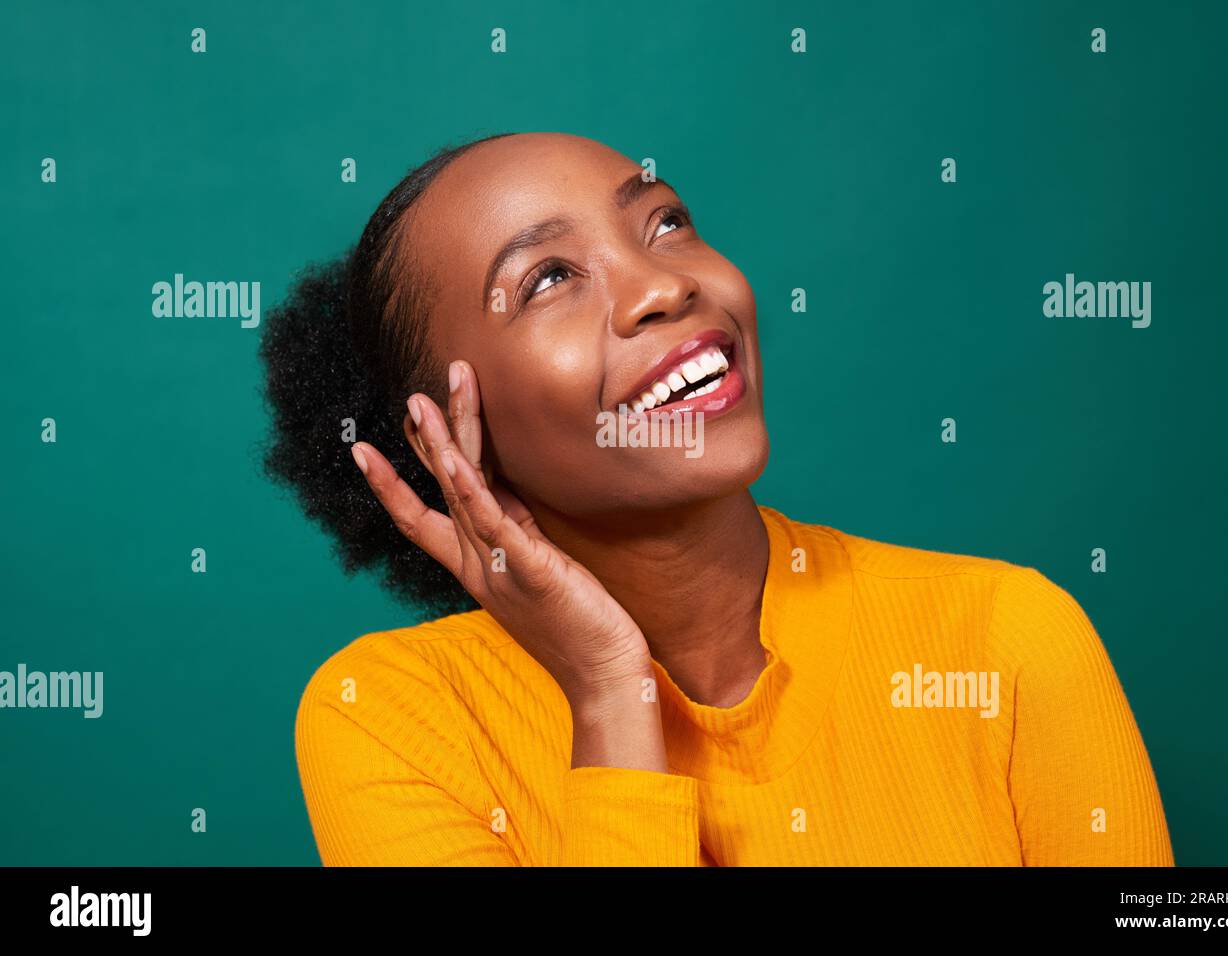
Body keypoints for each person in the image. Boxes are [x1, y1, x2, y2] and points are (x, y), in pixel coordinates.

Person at [261, 131, 1175, 866]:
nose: (666, 285)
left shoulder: (1006, 640)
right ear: (440, 434)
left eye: (664, 224)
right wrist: (611, 693)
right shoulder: (389, 717)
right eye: (549, 279)